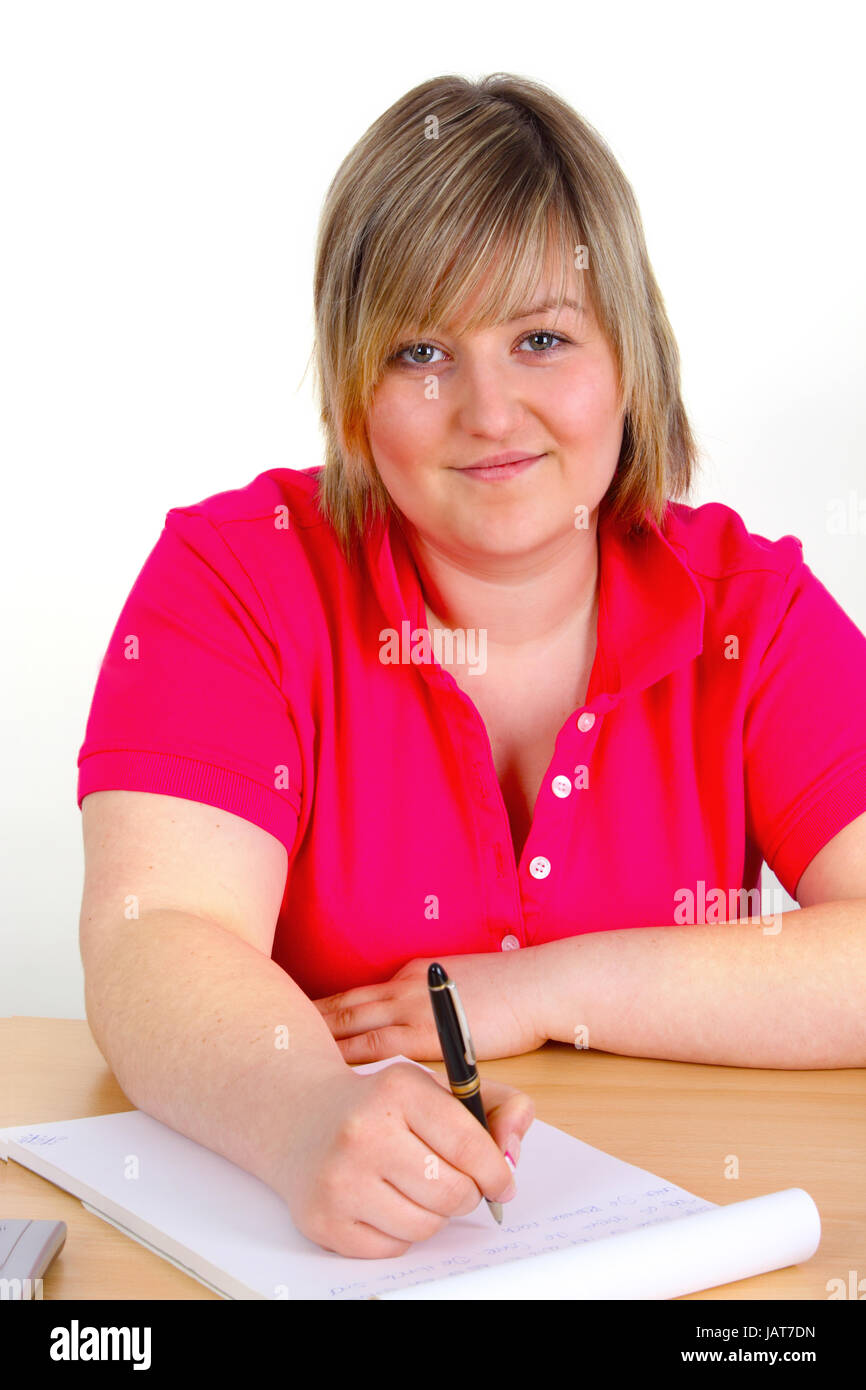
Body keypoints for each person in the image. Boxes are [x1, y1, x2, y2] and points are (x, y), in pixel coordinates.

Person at [77, 73, 866, 1263]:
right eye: (421, 351)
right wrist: (303, 1120)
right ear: (353, 389)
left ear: (628, 361)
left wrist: (536, 990)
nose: (488, 411)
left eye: (540, 338)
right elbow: (154, 933)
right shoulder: (230, 581)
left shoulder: (752, 610)